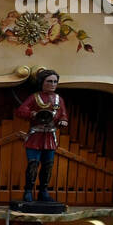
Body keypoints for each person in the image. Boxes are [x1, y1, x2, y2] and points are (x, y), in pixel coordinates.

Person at [15, 68, 68, 203]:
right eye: (49, 81)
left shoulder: (59, 99)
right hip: (35, 136)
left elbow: (63, 114)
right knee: (33, 164)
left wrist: (63, 120)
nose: (53, 84)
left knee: (48, 166)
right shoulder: (34, 97)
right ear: (42, 82)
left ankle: (43, 191)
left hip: (50, 137)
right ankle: (28, 191)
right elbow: (21, 111)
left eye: (55, 82)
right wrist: (33, 114)